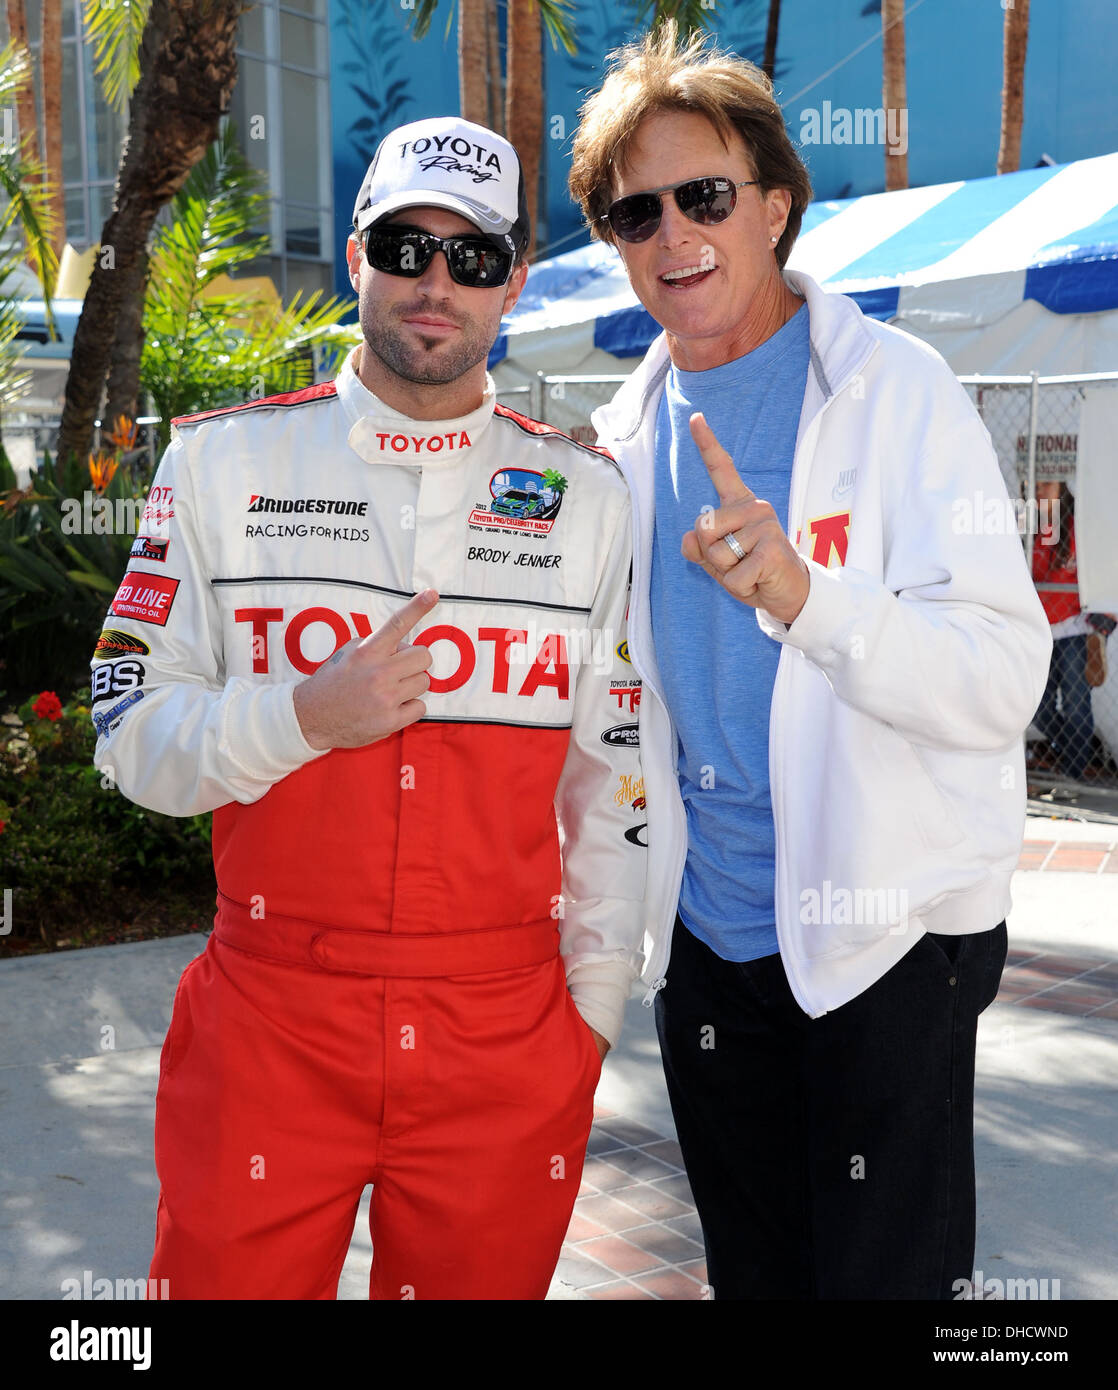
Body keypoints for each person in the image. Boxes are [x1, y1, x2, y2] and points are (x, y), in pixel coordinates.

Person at [90, 116, 645, 1300]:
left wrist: (588, 1014)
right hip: (269, 1014)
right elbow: (127, 730)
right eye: (405, 247)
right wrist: (298, 716)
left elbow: (618, 782)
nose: (435, 284)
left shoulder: (589, 499)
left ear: (513, 286)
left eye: (473, 258)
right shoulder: (220, 466)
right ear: (356, 259)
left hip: (504, 1033)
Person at [569, 23, 1053, 1300]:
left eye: (704, 196)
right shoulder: (616, 444)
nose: (672, 234)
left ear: (774, 205)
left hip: (884, 942)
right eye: (634, 213)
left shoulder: (899, 393)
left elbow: (1004, 675)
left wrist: (805, 596)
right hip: (711, 946)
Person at [1030, 478, 1113, 780]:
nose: (1039, 491)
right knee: (1036, 707)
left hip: (1073, 630)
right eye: (1035, 486)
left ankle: (1072, 774)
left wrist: (1102, 626)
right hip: (1038, 632)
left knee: (1077, 704)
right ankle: (1074, 753)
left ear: (1062, 488)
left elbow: (1102, 572)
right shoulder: (1031, 527)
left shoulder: (1079, 526)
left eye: (1046, 484)